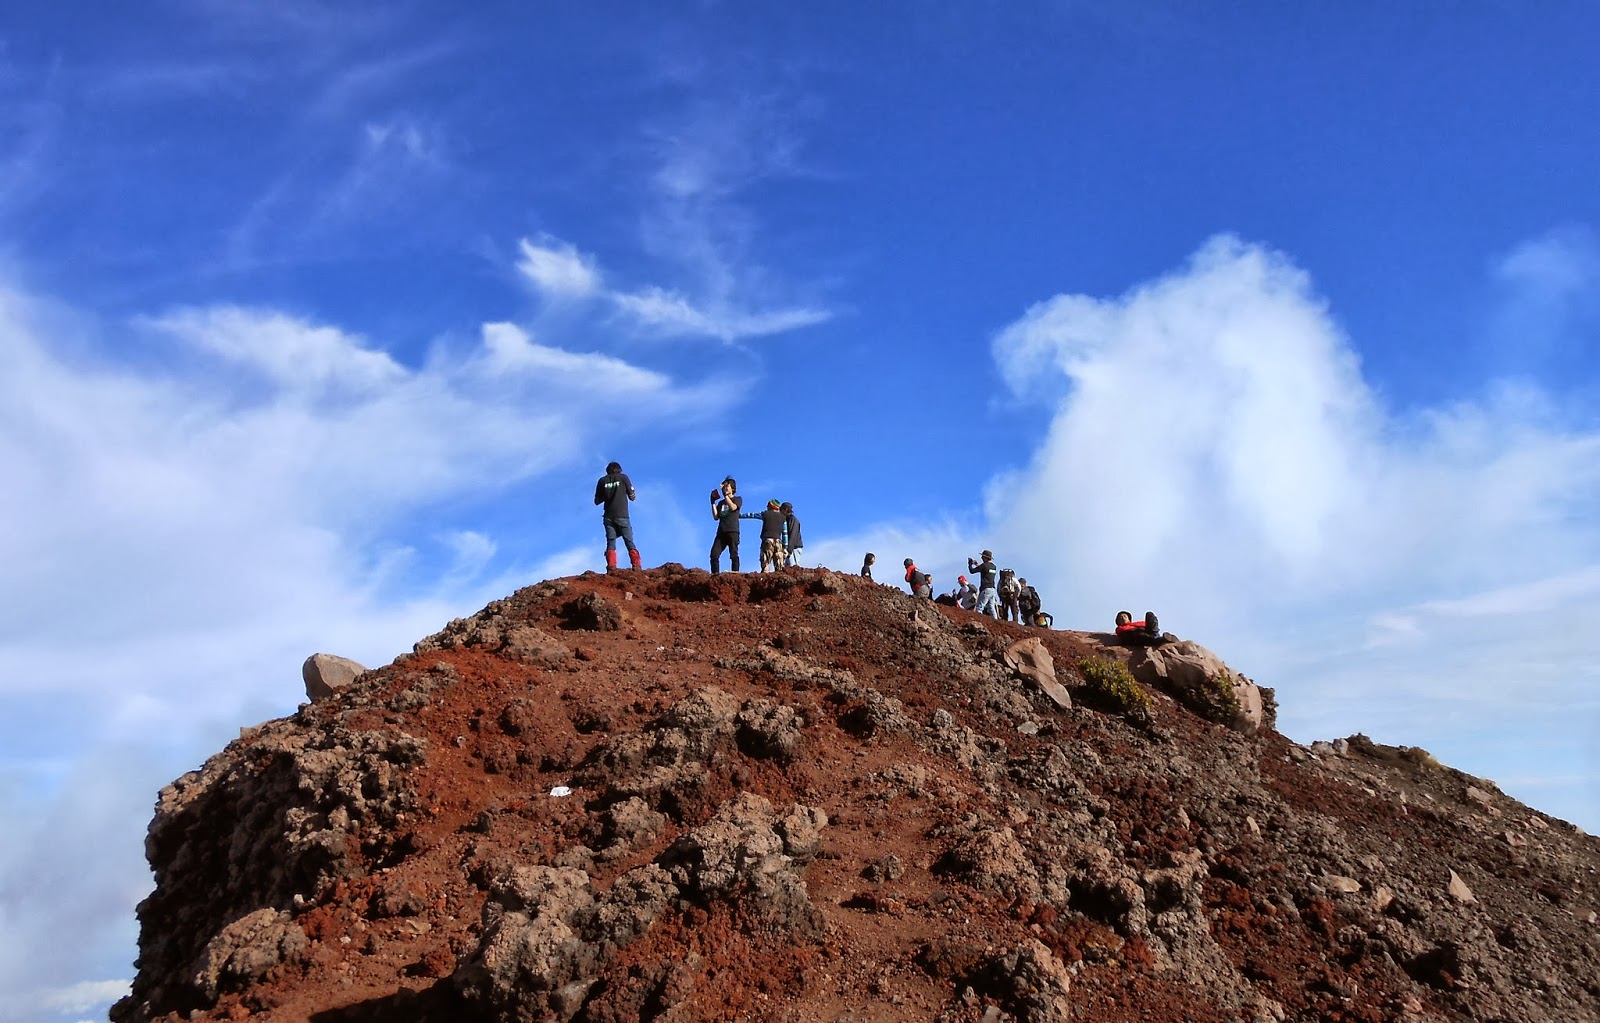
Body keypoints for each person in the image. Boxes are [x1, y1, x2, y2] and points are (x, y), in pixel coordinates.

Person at [593, 461, 641, 570]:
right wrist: (631, 493)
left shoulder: (602, 481)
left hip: (608, 516)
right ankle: (636, 565)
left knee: (611, 540)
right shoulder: (623, 478)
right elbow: (632, 496)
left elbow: (596, 501)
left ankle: (611, 566)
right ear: (619, 469)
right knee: (628, 540)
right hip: (622, 514)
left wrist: (608, 494)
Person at [709, 477, 743, 573]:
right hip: (721, 532)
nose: (725, 488)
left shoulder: (737, 499)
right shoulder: (721, 503)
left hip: (733, 531)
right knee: (714, 554)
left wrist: (725, 496)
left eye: (727, 486)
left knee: (733, 554)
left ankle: (735, 573)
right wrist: (713, 503)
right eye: (723, 487)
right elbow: (716, 517)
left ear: (733, 488)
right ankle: (715, 574)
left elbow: (733, 507)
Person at [742, 499, 787, 572]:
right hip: (778, 543)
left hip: (767, 541)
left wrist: (738, 515)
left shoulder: (765, 514)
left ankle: (765, 577)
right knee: (779, 567)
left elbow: (751, 515)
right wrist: (785, 547)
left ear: (770, 506)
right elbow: (785, 534)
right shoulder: (783, 518)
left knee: (765, 563)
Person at [966, 550, 999, 618]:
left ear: (985, 557)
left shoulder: (983, 566)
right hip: (992, 590)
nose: (981, 558)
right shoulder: (993, 566)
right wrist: (977, 564)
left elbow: (972, 571)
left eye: (982, 556)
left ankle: (978, 620)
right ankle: (996, 621)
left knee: (979, 607)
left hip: (985, 589)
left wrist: (970, 564)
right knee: (991, 608)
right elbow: (985, 570)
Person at [781, 501, 803, 566]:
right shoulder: (787, 520)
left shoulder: (793, 520)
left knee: (793, 566)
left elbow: (793, 535)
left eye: (781, 510)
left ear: (785, 509)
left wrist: (789, 551)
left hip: (794, 548)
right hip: (790, 548)